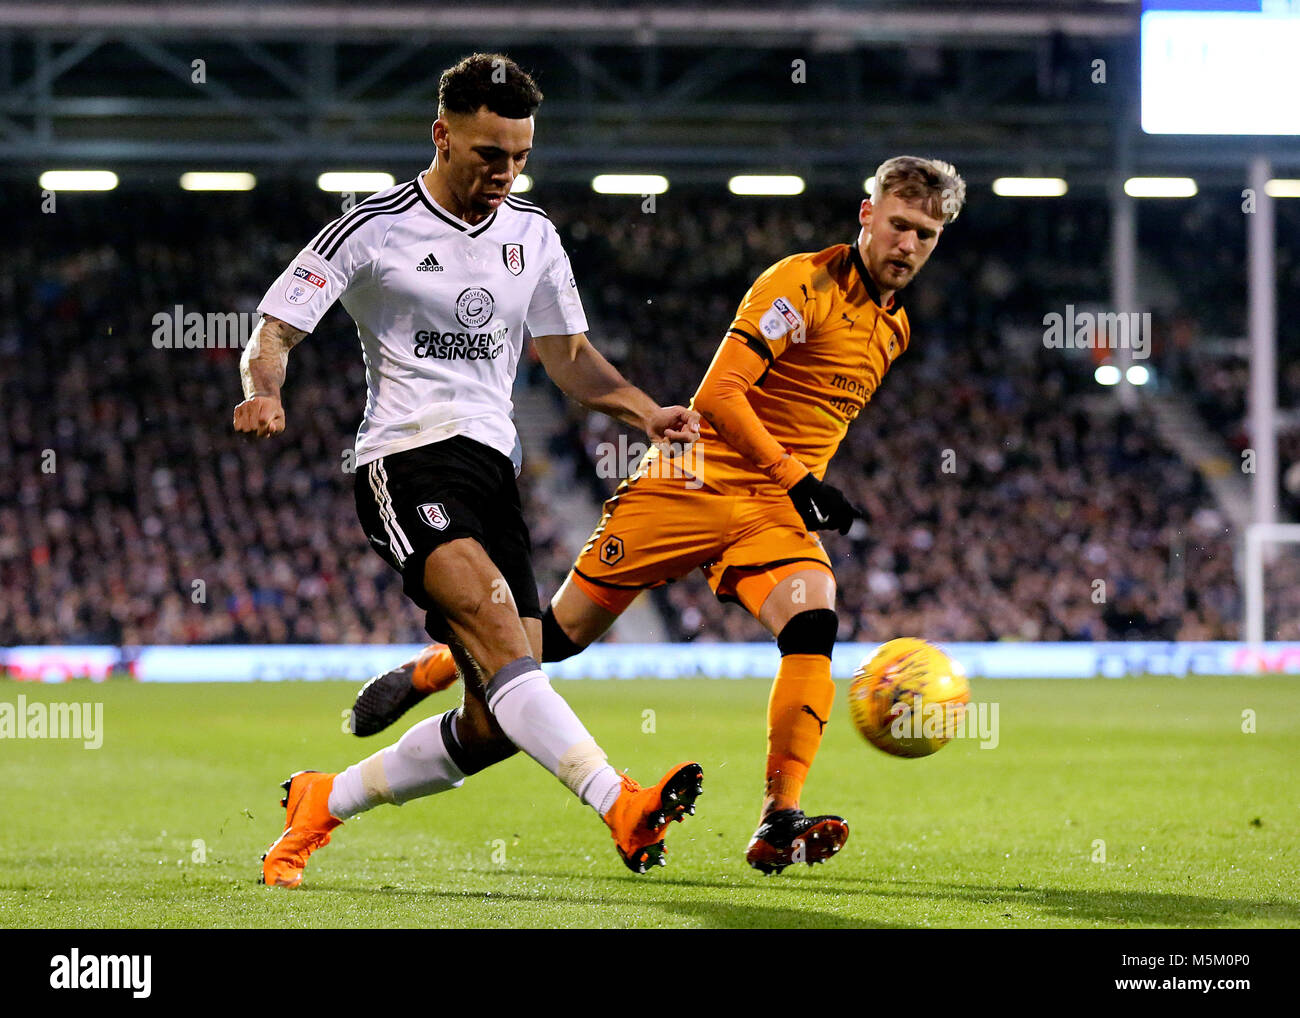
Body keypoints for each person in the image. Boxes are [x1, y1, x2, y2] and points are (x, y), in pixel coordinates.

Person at [349, 155, 966, 874]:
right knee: (558, 638)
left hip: (769, 509)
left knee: (813, 619)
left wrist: (791, 487)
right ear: (868, 215)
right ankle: (433, 669)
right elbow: (720, 396)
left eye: (925, 234)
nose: (908, 245)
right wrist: (796, 477)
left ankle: (778, 817)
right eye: (898, 225)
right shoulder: (799, 285)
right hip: (691, 482)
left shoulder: (896, 331)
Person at [234, 52, 704, 886]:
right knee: (498, 631)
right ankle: (621, 803)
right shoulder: (371, 227)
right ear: (442, 135)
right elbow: (273, 328)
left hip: (495, 473)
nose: (508, 173)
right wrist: (265, 391)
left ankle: (320, 802)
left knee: (494, 723)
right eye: (492, 154)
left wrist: (645, 411)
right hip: (406, 461)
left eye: (521, 156)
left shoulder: (535, 234)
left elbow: (568, 357)